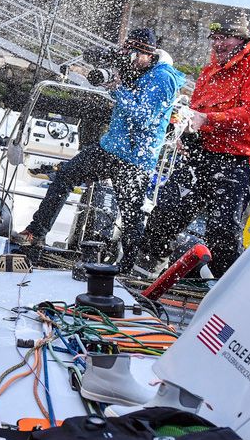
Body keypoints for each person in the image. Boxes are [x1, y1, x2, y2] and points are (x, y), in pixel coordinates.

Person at [13, 28, 186, 272]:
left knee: (131, 216)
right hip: (110, 148)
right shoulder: (136, 70)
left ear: (148, 54)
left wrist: (117, 89)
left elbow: (144, 117)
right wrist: (113, 72)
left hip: (135, 159)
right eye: (128, 53)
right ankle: (36, 232)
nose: (130, 59)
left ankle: (129, 268)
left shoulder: (163, 78)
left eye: (134, 54)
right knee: (65, 175)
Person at [136, 11, 250, 277]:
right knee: (166, 213)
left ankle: (225, 291)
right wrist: (186, 133)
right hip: (203, 153)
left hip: (241, 157)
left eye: (225, 37)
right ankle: (147, 271)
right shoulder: (211, 69)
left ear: (241, 38)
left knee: (223, 229)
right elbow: (196, 109)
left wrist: (207, 120)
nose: (218, 43)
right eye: (215, 37)